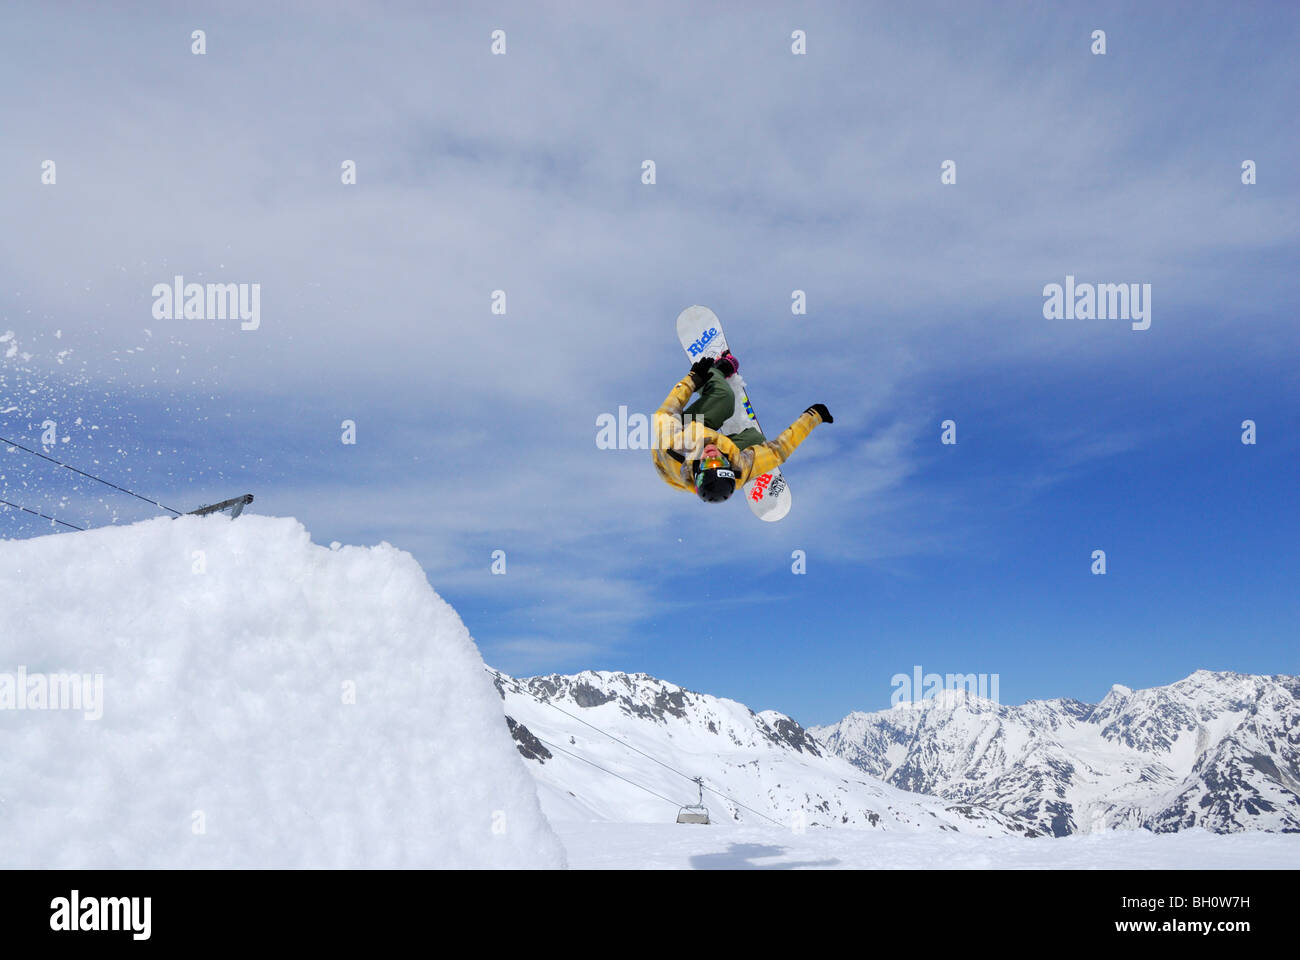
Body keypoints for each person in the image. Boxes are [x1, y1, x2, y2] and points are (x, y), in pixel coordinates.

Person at [651, 350, 832, 503]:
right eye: (721, 461)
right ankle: (735, 435)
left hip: (687, 431)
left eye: (708, 462)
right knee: (757, 440)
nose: (713, 454)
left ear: (698, 467)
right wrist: (813, 417)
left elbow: (666, 412)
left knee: (725, 398)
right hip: (704, 447)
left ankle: (717, 371)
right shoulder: (740, 468)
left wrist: (693, 379)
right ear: (729, 466)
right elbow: (778, 451)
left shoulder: (673, 444)